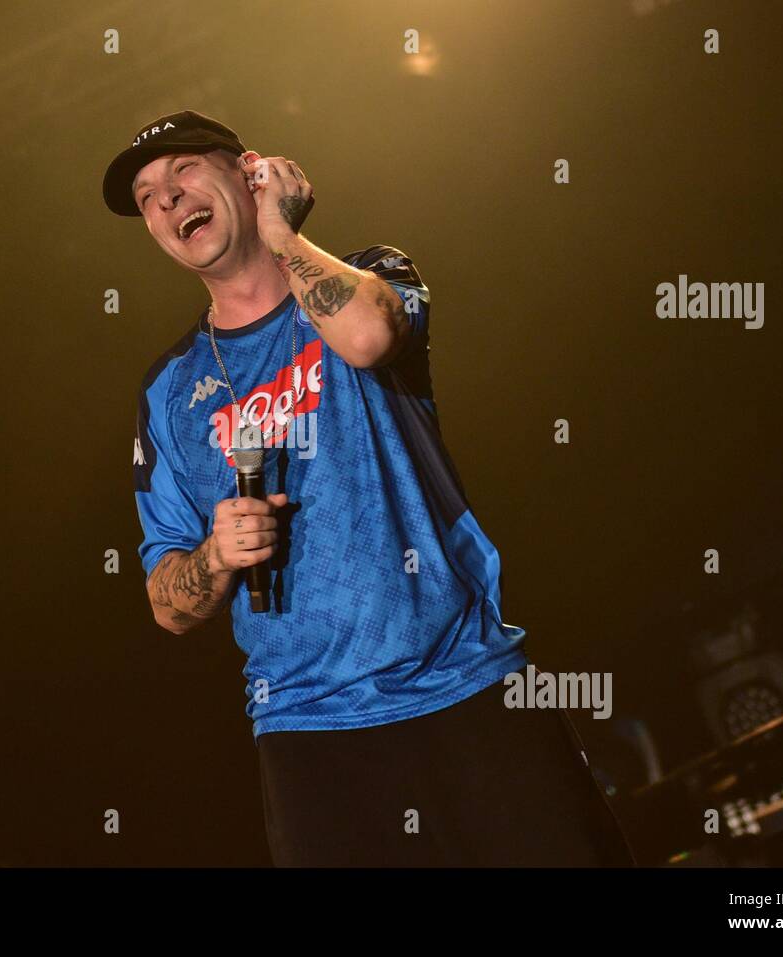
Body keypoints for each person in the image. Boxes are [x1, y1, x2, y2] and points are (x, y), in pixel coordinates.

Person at [104, 110, 634, 866]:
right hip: (308, 730)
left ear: (247, 171)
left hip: (466, 683)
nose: (165, 198)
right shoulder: (168, 390)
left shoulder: (371, 273)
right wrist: (218, 556)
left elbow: (368, 339)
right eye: (147, 195)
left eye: (183, 169)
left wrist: (283, 235)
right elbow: (165, 602)